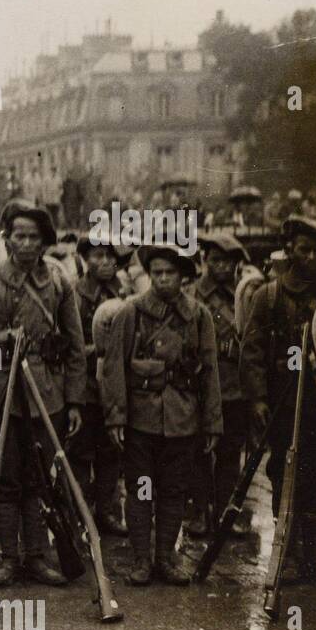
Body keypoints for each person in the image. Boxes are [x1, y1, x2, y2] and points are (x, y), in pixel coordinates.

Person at [0, 200, 86, 587]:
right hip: (5, 396)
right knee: (6, 477)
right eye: (19, 235)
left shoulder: (60, 281)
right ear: (7, 238)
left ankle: (37, 556)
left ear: (45, 240)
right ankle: (9, 558)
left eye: (35, 236)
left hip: (48, 394)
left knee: (40, 481)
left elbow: (75, 346)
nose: (27, 243)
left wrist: (75, 400)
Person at [101, 244, 222, 585]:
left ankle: (165, 559)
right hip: (141, 421)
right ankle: (141, 561)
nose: (164, 279)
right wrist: (115, 417)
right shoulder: (131, 312)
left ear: (183, 277)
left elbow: (210, 371)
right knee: (141, 489)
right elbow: (114, 369)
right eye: (157, 273)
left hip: (183, 420)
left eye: (170, 273)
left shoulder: (198, 316)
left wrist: (213, 423)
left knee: (173, 492)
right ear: (149, 275)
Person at [239, 216, 316, 580]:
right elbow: (252, 352)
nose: (309, 257)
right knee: (283, 472)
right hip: (282, 402)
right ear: (290, 249)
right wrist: (258, 399)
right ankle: (289, 552)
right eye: (303, 249)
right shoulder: (269, 295)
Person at [183, 233, 249, 537]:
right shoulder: (192, 295)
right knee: (198, 452)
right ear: (205, 261)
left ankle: (226, 512)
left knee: (230, 453)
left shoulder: (244, 294)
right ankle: (199, 511)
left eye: (228, 262)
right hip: (201, 386)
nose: (222, 267)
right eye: (216, 261)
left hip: (235, 387)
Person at [69, 234, 131, 535]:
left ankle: (107, 512)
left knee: (112, 454)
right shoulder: (75, 294)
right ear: (84, 259)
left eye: (110, 256)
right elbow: (70, 342)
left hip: (116, 387)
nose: (105, 262)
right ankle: (80, 514)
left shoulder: (126, 292)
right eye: (97, 255)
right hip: (85, 386)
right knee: (81, 453)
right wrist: (98, 348)